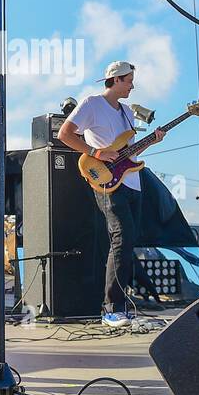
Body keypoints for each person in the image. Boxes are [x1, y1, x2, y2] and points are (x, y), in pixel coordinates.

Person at [58, 61, 166, 328]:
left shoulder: (127, 112)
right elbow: (65, 134)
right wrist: (95, 153)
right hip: (108, 182)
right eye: (129, 80)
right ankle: (111, 309)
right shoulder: (92, 104)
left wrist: (152, 140)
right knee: (121, 239)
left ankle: (121, 304)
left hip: (133, 183)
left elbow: (130, 153)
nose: (132, 86)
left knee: (128, 242)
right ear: (116, 79)